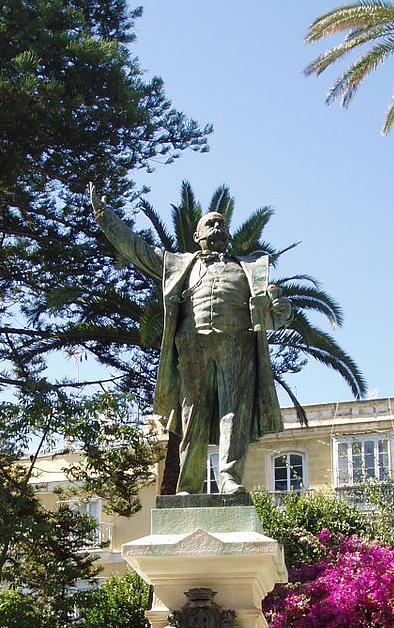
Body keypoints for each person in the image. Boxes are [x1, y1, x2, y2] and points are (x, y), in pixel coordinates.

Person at [89, 185, 292, 495]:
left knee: (233, 414)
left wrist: (281, 307)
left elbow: (278, 316)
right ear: (197, 235)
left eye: (222, 223)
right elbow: (136, 248)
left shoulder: (248, 269)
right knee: (191, 415)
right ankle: (189, 485)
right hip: (191, 346)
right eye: (210, 223)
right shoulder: (178, 265)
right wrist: (105, 218)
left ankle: (229, 479)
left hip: (236, 345)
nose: (217, 227)